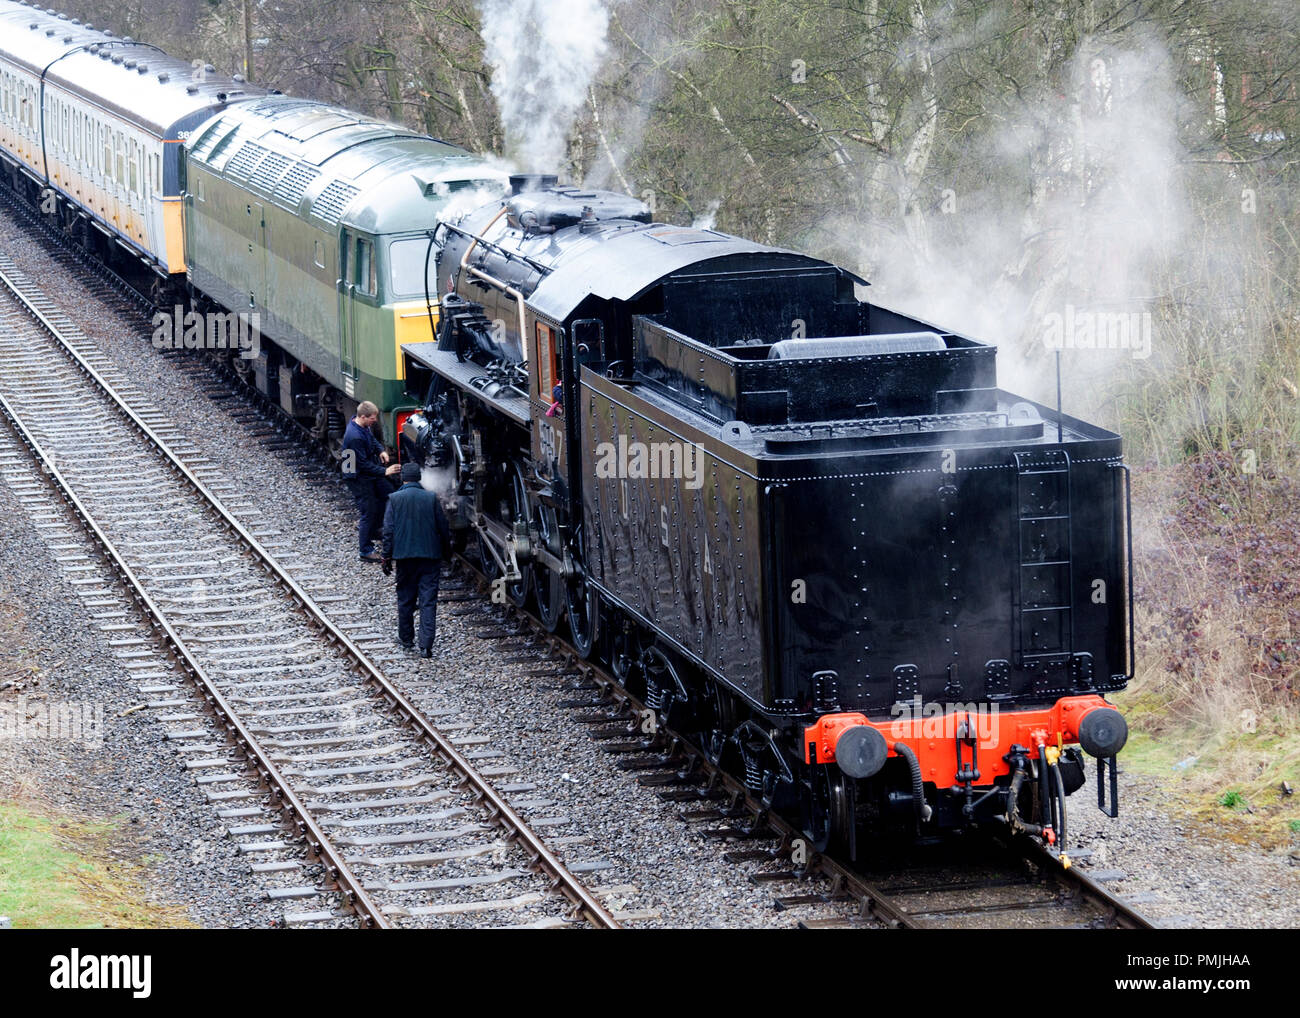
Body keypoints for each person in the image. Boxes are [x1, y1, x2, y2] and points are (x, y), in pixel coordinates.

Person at [382, 461, 451, 658]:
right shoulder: (430, 498)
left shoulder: (394, 499)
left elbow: (388, 531)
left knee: (405, 598)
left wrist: (386, 557)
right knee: (428, 601)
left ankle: (406, 638)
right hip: (430, 557)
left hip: (404, 558)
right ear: (419, 479)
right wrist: (447, 552)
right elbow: (442, 527)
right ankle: (426, 646)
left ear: (403, 478)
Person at [342, 401, 400, 561]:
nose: (375, 420)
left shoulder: (362, 425)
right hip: (357, 477)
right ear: (363, 417)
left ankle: (376, 529)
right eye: (373, 418)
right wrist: (385, 471)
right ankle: (365, 550)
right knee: (368, 510)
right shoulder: (354, 437)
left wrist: (381, 450)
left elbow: (371, 438)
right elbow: (362, 464)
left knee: (388, 494)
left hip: (366, 471)